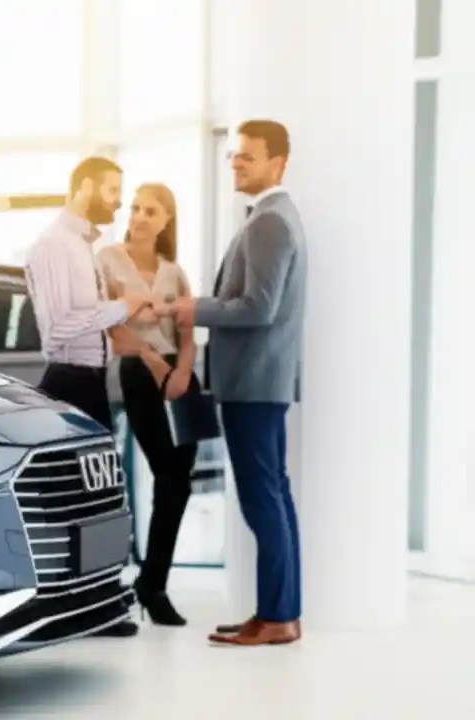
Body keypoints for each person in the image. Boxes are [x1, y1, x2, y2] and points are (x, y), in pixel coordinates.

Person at [160, 119, 307, 646]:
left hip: (254, 382)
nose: (237, 163)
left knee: (263, 499)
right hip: (261, 381)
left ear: (278, 162)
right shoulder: (272, 218)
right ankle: (279, 613)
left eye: (248, 156)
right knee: (274, 496)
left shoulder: (269, 222)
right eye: (234, 156)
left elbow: (257, 308)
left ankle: (276, 617)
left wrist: (191, 308)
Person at [24, 156, 154, 638]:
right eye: (111, 190)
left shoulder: (79, 247)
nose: (119, 202)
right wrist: (123, 305)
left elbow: (86, 320)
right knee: (80, 503)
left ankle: (94, 604)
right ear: (82, 188)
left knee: (94, 501)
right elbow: (60, 328)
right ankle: (83, 608)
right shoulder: (57, 246)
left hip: (89, 380)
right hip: (70, 382)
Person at [97, 182, 203, 627]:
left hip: (179, 376)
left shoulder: (173, 270)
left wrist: (180, 373)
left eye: (150, 211)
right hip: (140, 373)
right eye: (136, 208)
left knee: (180, 481)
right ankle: (143, 585)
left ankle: (153, 583)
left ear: (166, 221)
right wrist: (154, 362)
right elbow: (112, 329)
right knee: (164, 469)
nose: (139, 217)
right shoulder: (107, 260)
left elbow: (188, 333)